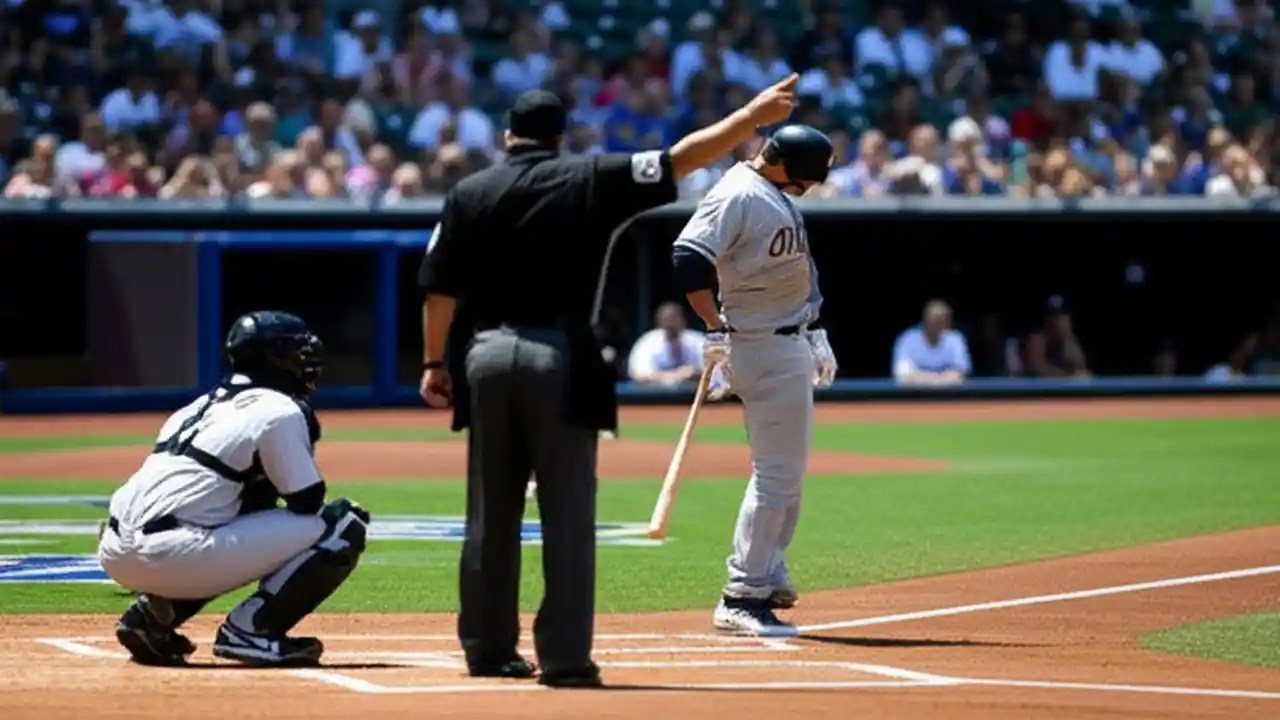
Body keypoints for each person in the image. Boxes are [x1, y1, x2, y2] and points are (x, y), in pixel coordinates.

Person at [416, 77, 801, 686]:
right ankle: (565, 659)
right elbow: (684, 157)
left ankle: (488, 650)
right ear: (559, 137)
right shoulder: (589, 178)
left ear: (508, 136)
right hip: (561, 358)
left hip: (484, 359)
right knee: (567, 513)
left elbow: (438, 289)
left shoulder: (469, 191)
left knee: (491, 513)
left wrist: (435, 364)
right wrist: (750, 117)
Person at [97, 311, 370, 667]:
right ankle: (251, 631)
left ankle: (153, 617)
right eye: (295, 350)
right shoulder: (279, 409)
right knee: (344, 523)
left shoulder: (196, 406)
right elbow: (307, 499)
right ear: (273, 357)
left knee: (222, 517)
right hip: (172, 553)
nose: (307, 359)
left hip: (116, 551)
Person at [671, 124, 838, 637]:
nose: (809, 188)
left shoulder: (767, 191)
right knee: (777, 475)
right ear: (783, 164)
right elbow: (687, 257)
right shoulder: (739, 193)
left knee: (787, 471)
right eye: (806, 179)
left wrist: (813, 327)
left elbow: (797, 265)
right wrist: (715, 328)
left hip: (786, 337)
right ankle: (742, 594)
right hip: (758, 340)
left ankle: (767, 572)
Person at [891, 300, 972, 385]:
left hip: (948, 394)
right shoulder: (907, 339)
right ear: (925, 321)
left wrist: (925, 378)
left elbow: (959, 375)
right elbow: (903, 375)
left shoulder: (955, 339)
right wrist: (938, 378)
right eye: (934, 321)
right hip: (914, 394)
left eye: (942, 322)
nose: (938, 326)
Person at [627, 302, 706, 385]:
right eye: (667, 320)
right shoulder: (647, 343)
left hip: (693, 393)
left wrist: (695, 373)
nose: (671, 323)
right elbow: (638, 375)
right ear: (659, 322)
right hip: (656, 395)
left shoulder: (698, 341)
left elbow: (715, 371)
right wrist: (677, 375)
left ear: (683, 320)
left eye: (675, 318)